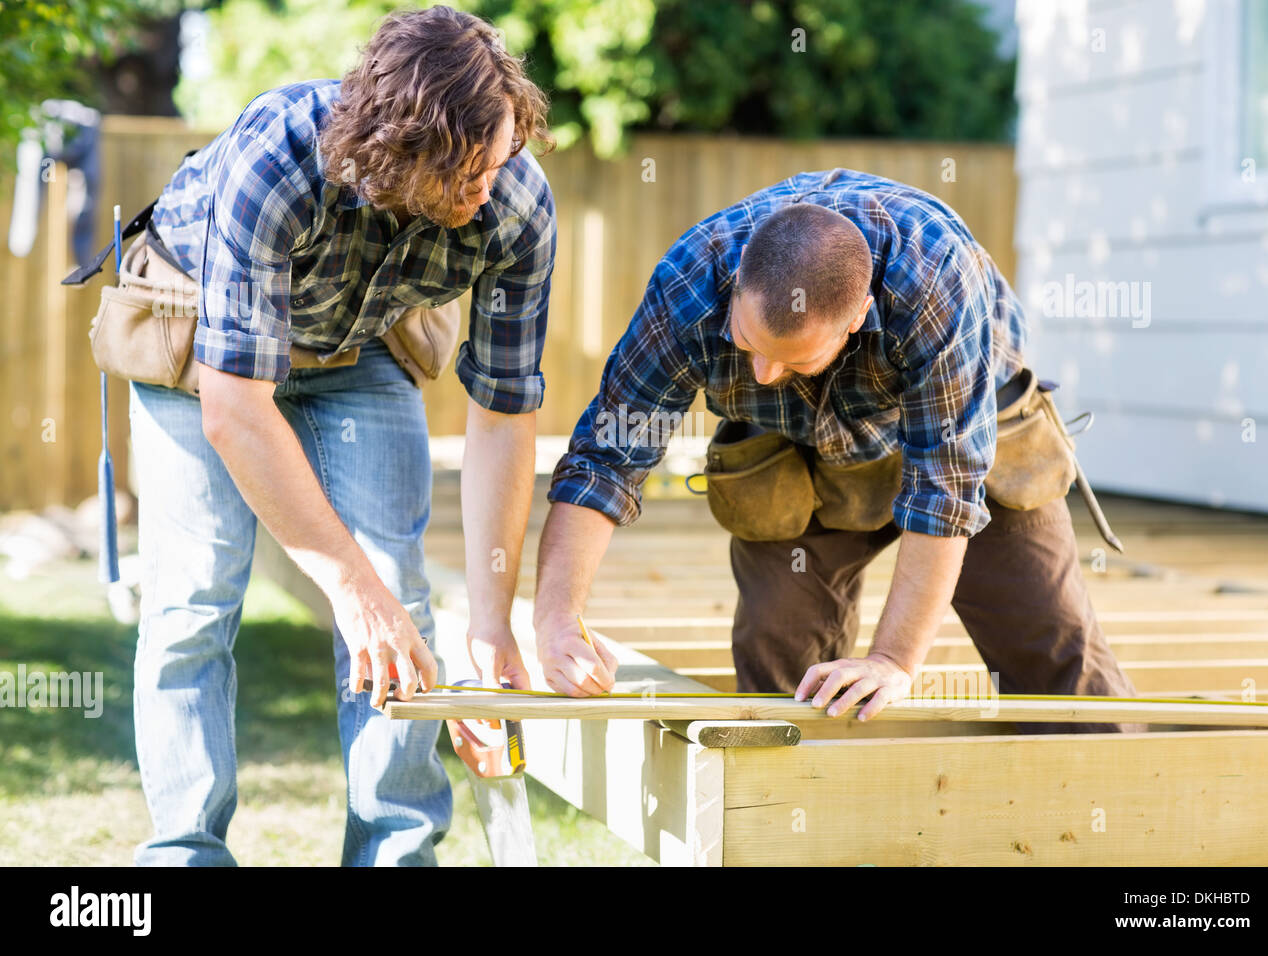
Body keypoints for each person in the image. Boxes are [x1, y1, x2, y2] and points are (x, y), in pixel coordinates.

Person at [129, 5, 556, 866]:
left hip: (358, 347)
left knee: (400, 584)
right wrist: (347, 590)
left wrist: (492, 624)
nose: (489, 187)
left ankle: (395, 852)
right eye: (466, 171)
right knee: (194, 598)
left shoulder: (515, 205)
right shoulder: (277, 160)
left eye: (502, 157)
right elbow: (235, 408)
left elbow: (505, 411)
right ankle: (185, 852)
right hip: (200, 349)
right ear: (398, 149)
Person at [532, 168, 1144, 734]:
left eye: (793, 357)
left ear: (856, 319)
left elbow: (945, 492)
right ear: (740, 276)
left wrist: (893, 661)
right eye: (747, 340)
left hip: (974, 438)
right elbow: (605, 461)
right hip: (792, 448)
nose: (764, 372)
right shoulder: (690, 287)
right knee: (780, 656)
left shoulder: (933, 279)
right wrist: (558, 618)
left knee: (1051, 648)